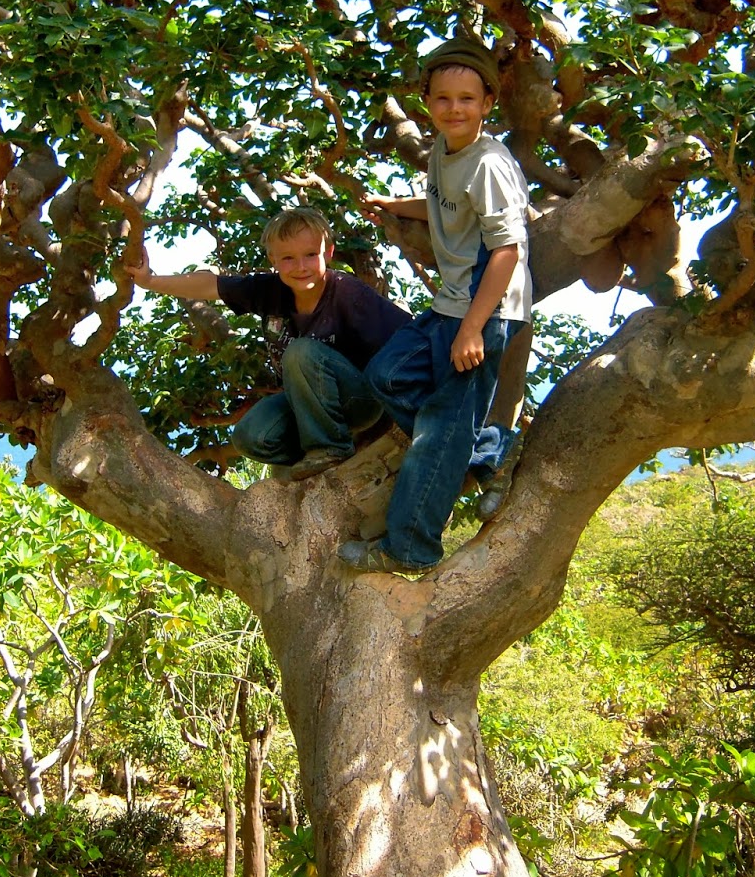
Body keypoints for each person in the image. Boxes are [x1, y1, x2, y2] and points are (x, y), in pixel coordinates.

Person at [341, 34, 531, 574]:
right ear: (427, 101)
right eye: (443, 98)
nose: (454, 109)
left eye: (467, 99)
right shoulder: (444, 154)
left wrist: (473, 328)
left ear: (488, 103)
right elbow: (440, 207)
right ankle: (488, 450)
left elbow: (507, 250)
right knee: (386, 375)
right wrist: (389, 204)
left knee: (435, 433)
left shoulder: (489, 163)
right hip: (452, 304)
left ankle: (409, 547)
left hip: (483, 306)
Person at [124, 206, 410, 480]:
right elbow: (211, 285)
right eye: (287, 258)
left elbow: (409, 341)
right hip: (306, 406)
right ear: (273, 260)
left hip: (357, 400)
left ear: (329, 253)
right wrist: (150, 281)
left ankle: (330, 450)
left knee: (301, 351)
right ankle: (315, 459)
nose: (300, 267)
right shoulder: (269, 290)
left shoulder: (348, 292)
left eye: (311, 254)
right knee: (250, 436)